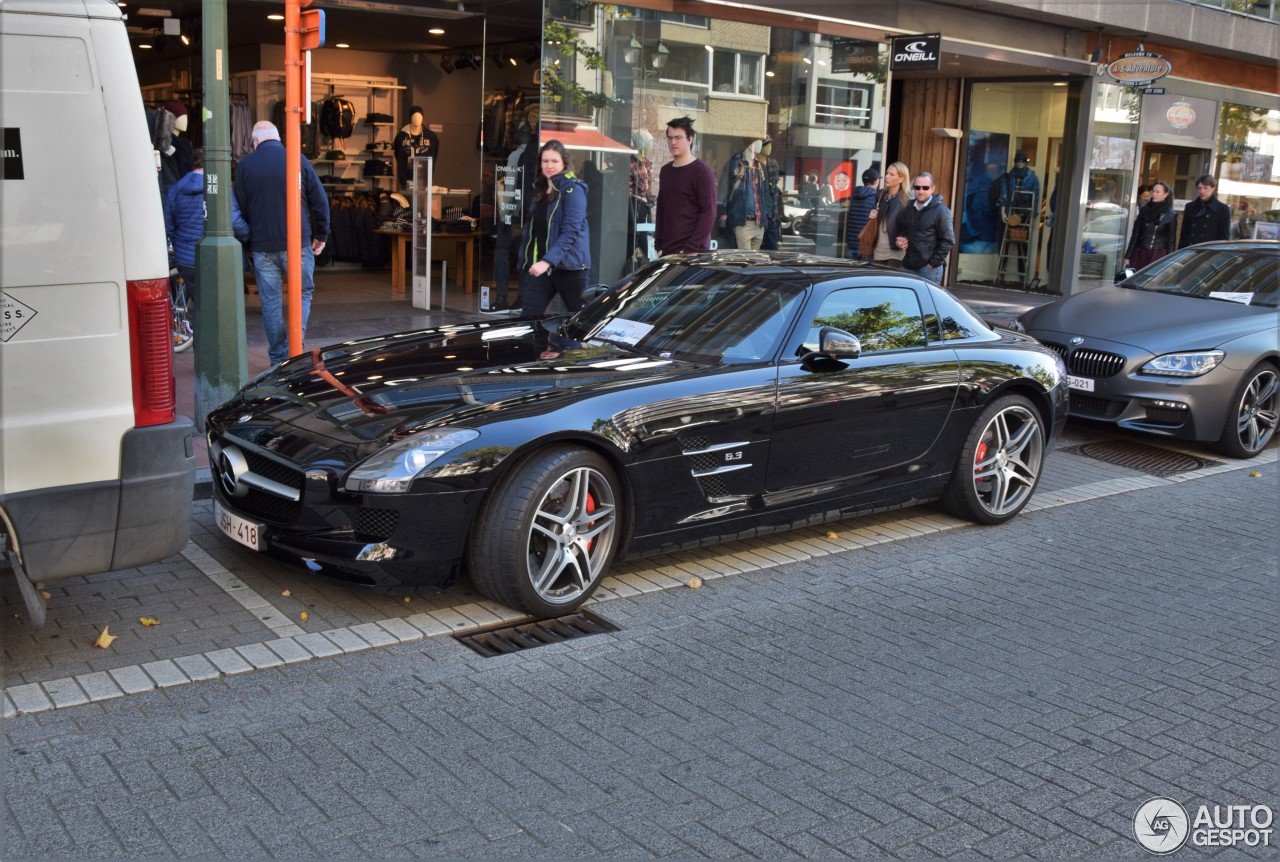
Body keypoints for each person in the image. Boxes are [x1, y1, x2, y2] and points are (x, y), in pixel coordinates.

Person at [234, 121, 330, 366]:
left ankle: (277, 357)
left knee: (270, 302)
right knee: (303, 293)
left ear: (255, 142)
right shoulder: (297, 159)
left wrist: (248, 241)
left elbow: (241, 208)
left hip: (262, 245)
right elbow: (319, 199)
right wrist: (321, 234)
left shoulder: (245, 165)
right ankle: (295, 349)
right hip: (297, 242)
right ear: (278, 138)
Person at [520, 140, 590, 359]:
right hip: (546, 265)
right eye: (545, 161)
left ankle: (572, 367)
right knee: (529, 319)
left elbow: (570, 232)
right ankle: (532, 360)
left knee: (576, 324)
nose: (549, 165)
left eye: (554, 161)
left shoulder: (573, 189)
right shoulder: (543, 189)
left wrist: (546, 261)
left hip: (569, 266)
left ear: (564, 162)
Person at [165, 148, 249, 294]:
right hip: (217, 258)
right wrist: (247, 236)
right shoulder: (222, 189)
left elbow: (168, 226)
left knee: (201, 305)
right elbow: (235, 222)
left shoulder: (176, 189)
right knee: (218, 306)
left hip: (186, 259)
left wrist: (181, 243)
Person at [653, 116, 717, 255]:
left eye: (678, 137)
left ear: (690, 139)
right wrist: (658, 244)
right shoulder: (666, 171)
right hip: (667, 251)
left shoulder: (702, 172)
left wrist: (691, 249)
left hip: (693, 254)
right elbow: (662, 208)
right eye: (670, 138)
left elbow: (709, 212)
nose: (673, 142)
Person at [893, 172, 955, 283]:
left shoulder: (941, 211)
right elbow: (902, 230)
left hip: (929, 269)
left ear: (932, 189)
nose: (921, 191)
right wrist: (900, 239)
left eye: (925, 188)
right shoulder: (909, 207)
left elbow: (948, 240)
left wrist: (932, 264)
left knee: (927, 300)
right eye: (917, 187)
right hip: (908, 264)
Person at [718, 139, 770, 251]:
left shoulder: (760, 167)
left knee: (754, 262)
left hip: (759, 222)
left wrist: (766, 216)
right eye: (758, 141)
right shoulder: (735, 164)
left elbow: (765, 193)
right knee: (746, 260)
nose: (761, 144)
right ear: (750, 144)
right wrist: (723, 214)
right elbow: (724, 189)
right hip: (742, 222)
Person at [993, 151, 1040, 275]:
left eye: (1022, 161)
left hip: (1024, 213)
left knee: (1023, 245)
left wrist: (1033, 214)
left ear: (1025, 162)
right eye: (1017, 161)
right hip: (1010, 211)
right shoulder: (1008, 177)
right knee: (1004, 243)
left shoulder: (1032, 178)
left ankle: (1022, 273)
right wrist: (1003, 210)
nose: (1019, 163)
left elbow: (1035, 197)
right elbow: (1003, 194)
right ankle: (1001, 272)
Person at [1123, 180, 1176, 270]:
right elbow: (1135, 235)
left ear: (1166, 194)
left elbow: (1171, 240)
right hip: (1140, 252)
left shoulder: (1170, 214)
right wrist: (1127, 257)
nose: (1154, 194)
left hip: (1158, 254)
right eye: (1153, 191)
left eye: (1157, 192)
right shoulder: (1144, 210)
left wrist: (1169, 260)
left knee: (1152, 281)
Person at [866, 161, 910, 268]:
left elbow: (911, 224)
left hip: (896, 251)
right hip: (878, 249)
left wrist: (904, 238)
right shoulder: (880, 194)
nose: (886, 177)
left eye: (892, 174)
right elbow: (875, 213)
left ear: (901, 178)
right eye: (886, 173)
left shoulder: (907, 199)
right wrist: (871, 213)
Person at [393, 106, 441, 189]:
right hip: (406, 180)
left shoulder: (431, 137)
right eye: (414, 116)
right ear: (410, 118)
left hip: (425, 180)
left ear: (422, 118)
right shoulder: (401, 136)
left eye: (419, 116)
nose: (417, 119)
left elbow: (434, 155)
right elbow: (398, 154)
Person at [1179, 174, 1231, 248]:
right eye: (1199, 188)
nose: (1202, 191)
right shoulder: (1190, 207)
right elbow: (1184, 234)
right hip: (1190, 251)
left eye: (1205, 188)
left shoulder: (1222, 209)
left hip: (1209, 253)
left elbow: (1223, 238)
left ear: (1213, 188)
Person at [844, 167, 879, 260]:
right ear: (876, 181)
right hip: (866, 243)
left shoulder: (854, 196)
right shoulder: (876, 197)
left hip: (852, 242)